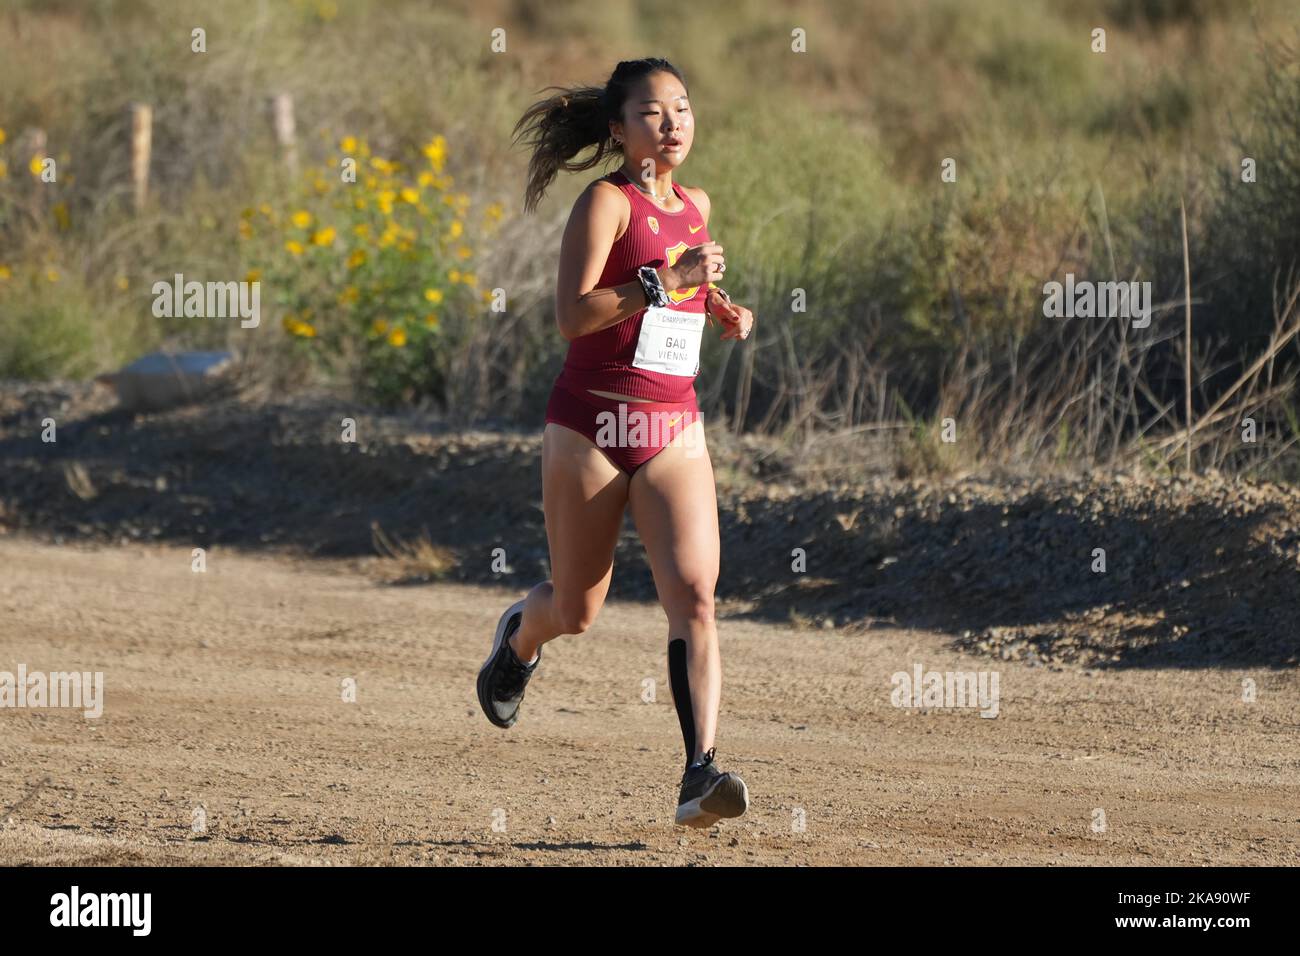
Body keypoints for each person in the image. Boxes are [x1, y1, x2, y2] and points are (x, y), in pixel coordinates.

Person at [477, 57, 756, 828]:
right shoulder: (603, 202)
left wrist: (715, 307)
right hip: (591, 428)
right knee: (577, 609)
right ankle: (519, 638)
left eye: (683, 109)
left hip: (673, 427)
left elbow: (673, 297)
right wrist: (669, 282)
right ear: (617, 128)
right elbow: (576, 316)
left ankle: (698, 774)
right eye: (653, 113)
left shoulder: (695, 204)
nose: (673, 124)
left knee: (696, 596)